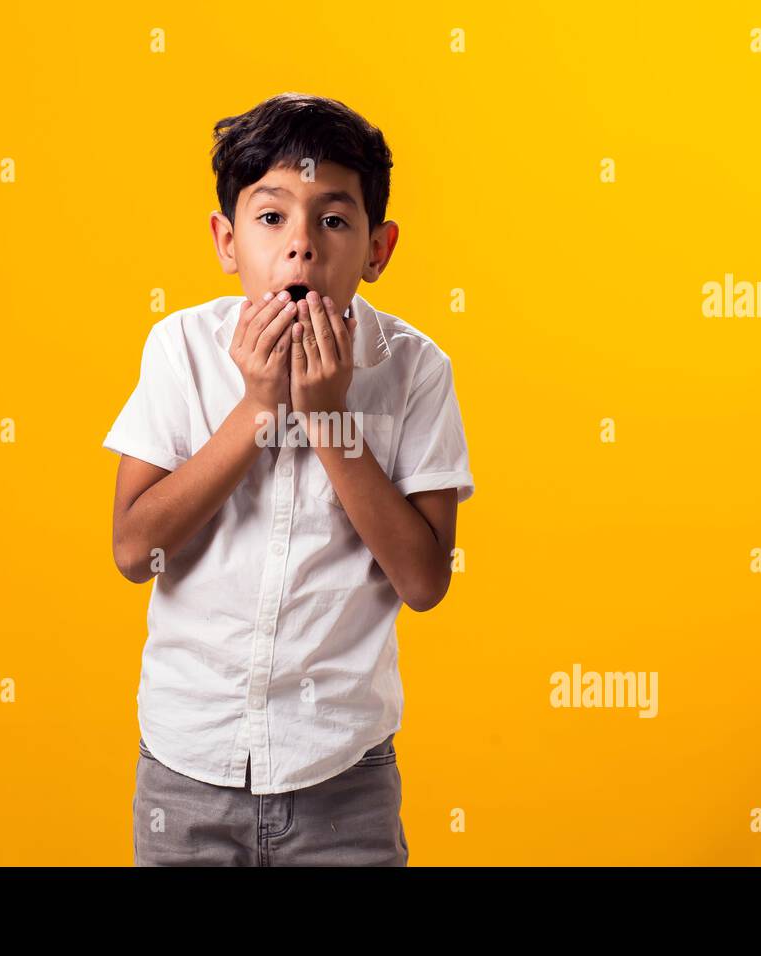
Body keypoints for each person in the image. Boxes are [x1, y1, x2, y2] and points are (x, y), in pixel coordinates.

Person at [103, 92, 474, 865]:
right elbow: (136, 551)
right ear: (226, 240)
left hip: (342, 776)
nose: (301, 247)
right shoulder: (179, 349)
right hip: (187, 767)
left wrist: (329, 416)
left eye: (333, 220)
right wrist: (258, 407)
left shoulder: (415, 372)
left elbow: (423, 579)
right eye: (271, 218)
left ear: (379, 249)